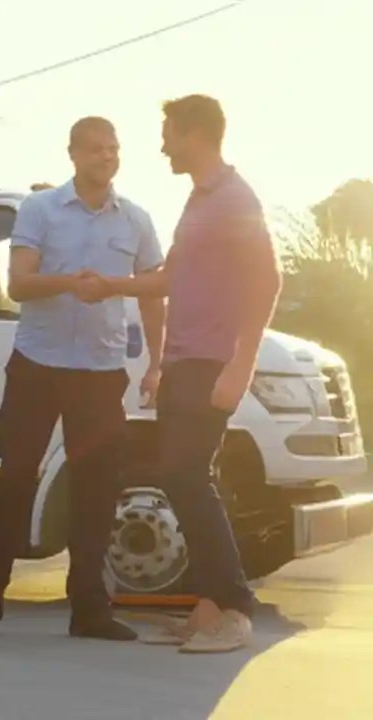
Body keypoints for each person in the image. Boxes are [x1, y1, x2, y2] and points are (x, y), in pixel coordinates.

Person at [0, 116, 167, 640]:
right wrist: (73, 283)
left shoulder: (135, 220)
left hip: (99, 375)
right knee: (14, 481)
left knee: (95, 492)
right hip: (38, 367)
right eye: (96, 149)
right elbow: (19, 284)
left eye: (113, 148)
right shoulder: (40, 209)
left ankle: (90, 611)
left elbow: (154, 288)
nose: (107, 157)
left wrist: (157, 363)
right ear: (72, 154)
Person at [97, 94, 281, 653]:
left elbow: (268, 281)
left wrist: (241, 365)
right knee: (186, 478)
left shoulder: (234, 198)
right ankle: (207, 610)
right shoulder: (199, 201)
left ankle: (235, 609)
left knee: (183, 476)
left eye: (169, 134)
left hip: (211, 365)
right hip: (181, 363)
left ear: (195, 134)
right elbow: (167, 279)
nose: (162, 146)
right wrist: (110, 285)